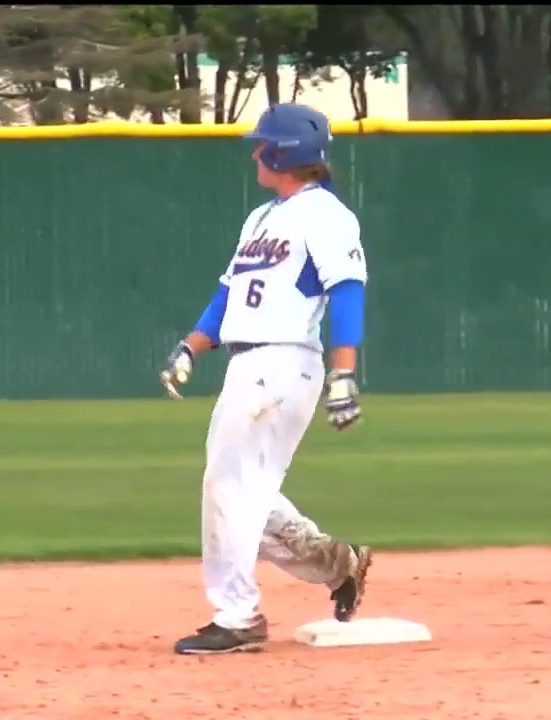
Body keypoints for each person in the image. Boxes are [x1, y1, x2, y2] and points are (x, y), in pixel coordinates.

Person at [160, 103, 374, 655]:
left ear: (283, 153)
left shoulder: (327, 215)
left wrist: (344, 374)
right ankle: (338, 564)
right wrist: (192, 344)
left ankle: (238, 617)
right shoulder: (260, 219)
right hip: (247, 364)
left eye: (263, 144)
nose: (255, 151)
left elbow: (347, 288)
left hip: (283, 362)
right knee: (246, 488)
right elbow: (230, 292)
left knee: (227, 486)